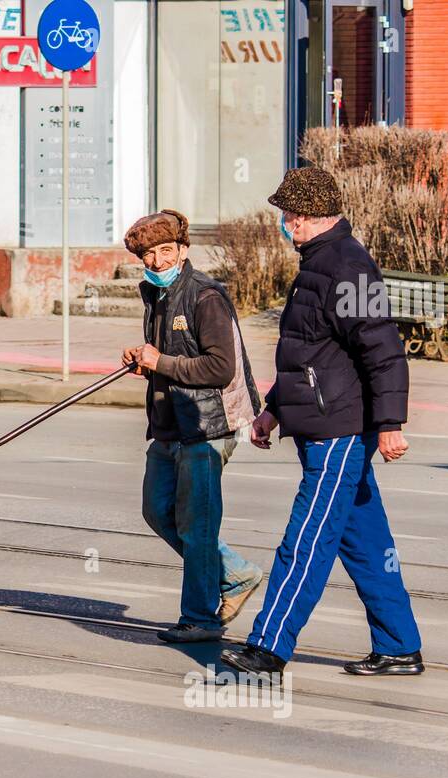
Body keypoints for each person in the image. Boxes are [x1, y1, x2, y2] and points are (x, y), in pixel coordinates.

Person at [221, 167, 424, 678]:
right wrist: (273, 409)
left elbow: (383, 351)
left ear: (305, 217)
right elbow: (308, 354)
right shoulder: (318, 263)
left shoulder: (349, 266)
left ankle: (267, 649)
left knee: (307, 539)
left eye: (287, 217)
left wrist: (391, 423)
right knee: (367, 543)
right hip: (320, 421)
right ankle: (399, 645)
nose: (284, 225)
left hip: (339, 431)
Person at [120, 209, 265, 644]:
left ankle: (200, 618)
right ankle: (235, 575)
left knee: (197, 525)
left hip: (208, 424)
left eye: (167, 251)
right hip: (169, 423)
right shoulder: (157, 294)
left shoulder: (205, 295)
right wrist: (145, 362)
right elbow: (175, 357)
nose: (159, 261)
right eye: (149, 254)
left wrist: (159, 361)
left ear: (184, 250)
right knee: (157, 509)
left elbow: (220, 367)